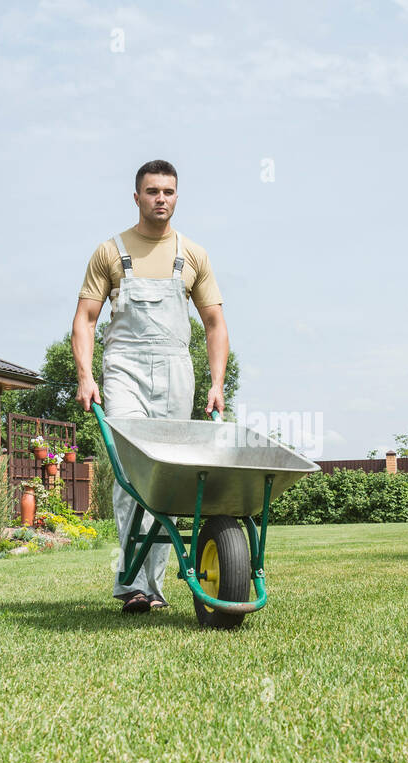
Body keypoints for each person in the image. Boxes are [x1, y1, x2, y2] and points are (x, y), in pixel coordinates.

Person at [72, 159, 230, 613]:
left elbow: (216, 324)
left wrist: (216, 383)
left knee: (168, 477)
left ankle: (151, 588)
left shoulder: (193, 254)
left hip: (177, 369)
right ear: (137, 196)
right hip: (123, 369)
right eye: (152, 191)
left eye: (169, 191)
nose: (161, 198)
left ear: (177, 197)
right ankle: (132, 585)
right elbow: (84, 320)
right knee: (131, 476)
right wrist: (87, 376)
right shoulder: (111, 251)